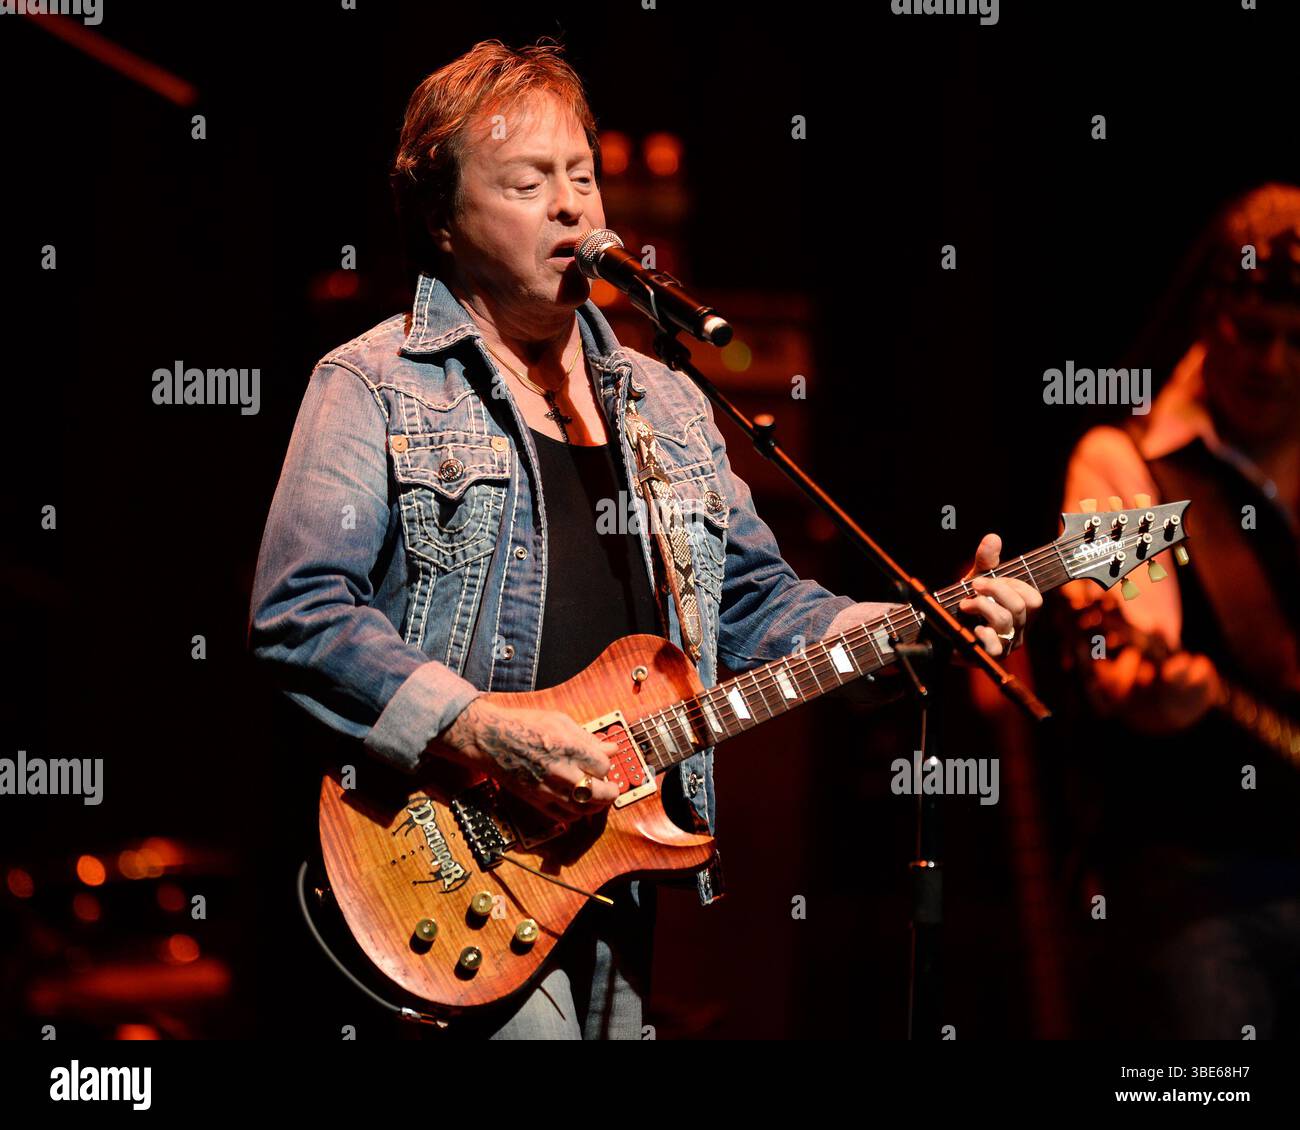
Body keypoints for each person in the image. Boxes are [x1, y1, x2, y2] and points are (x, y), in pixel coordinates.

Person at [247, 38, 1039, 1039]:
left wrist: (917, 622)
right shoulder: (374, 384)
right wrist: (483, 727)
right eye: (530, 182)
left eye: (581, 175)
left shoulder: (667, 405)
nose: (575, 206)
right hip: (441, 860)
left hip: (605, 873)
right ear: (442, 221)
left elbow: (752, 603)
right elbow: (298, 614)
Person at [1055, 184, 1300, 1037]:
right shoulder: (1124, 464)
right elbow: (1112, 651)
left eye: (1297, 342)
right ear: (1208, 316)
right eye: (1252, 333)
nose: (1272, 362)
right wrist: (1137, 685)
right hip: (1197, 879)